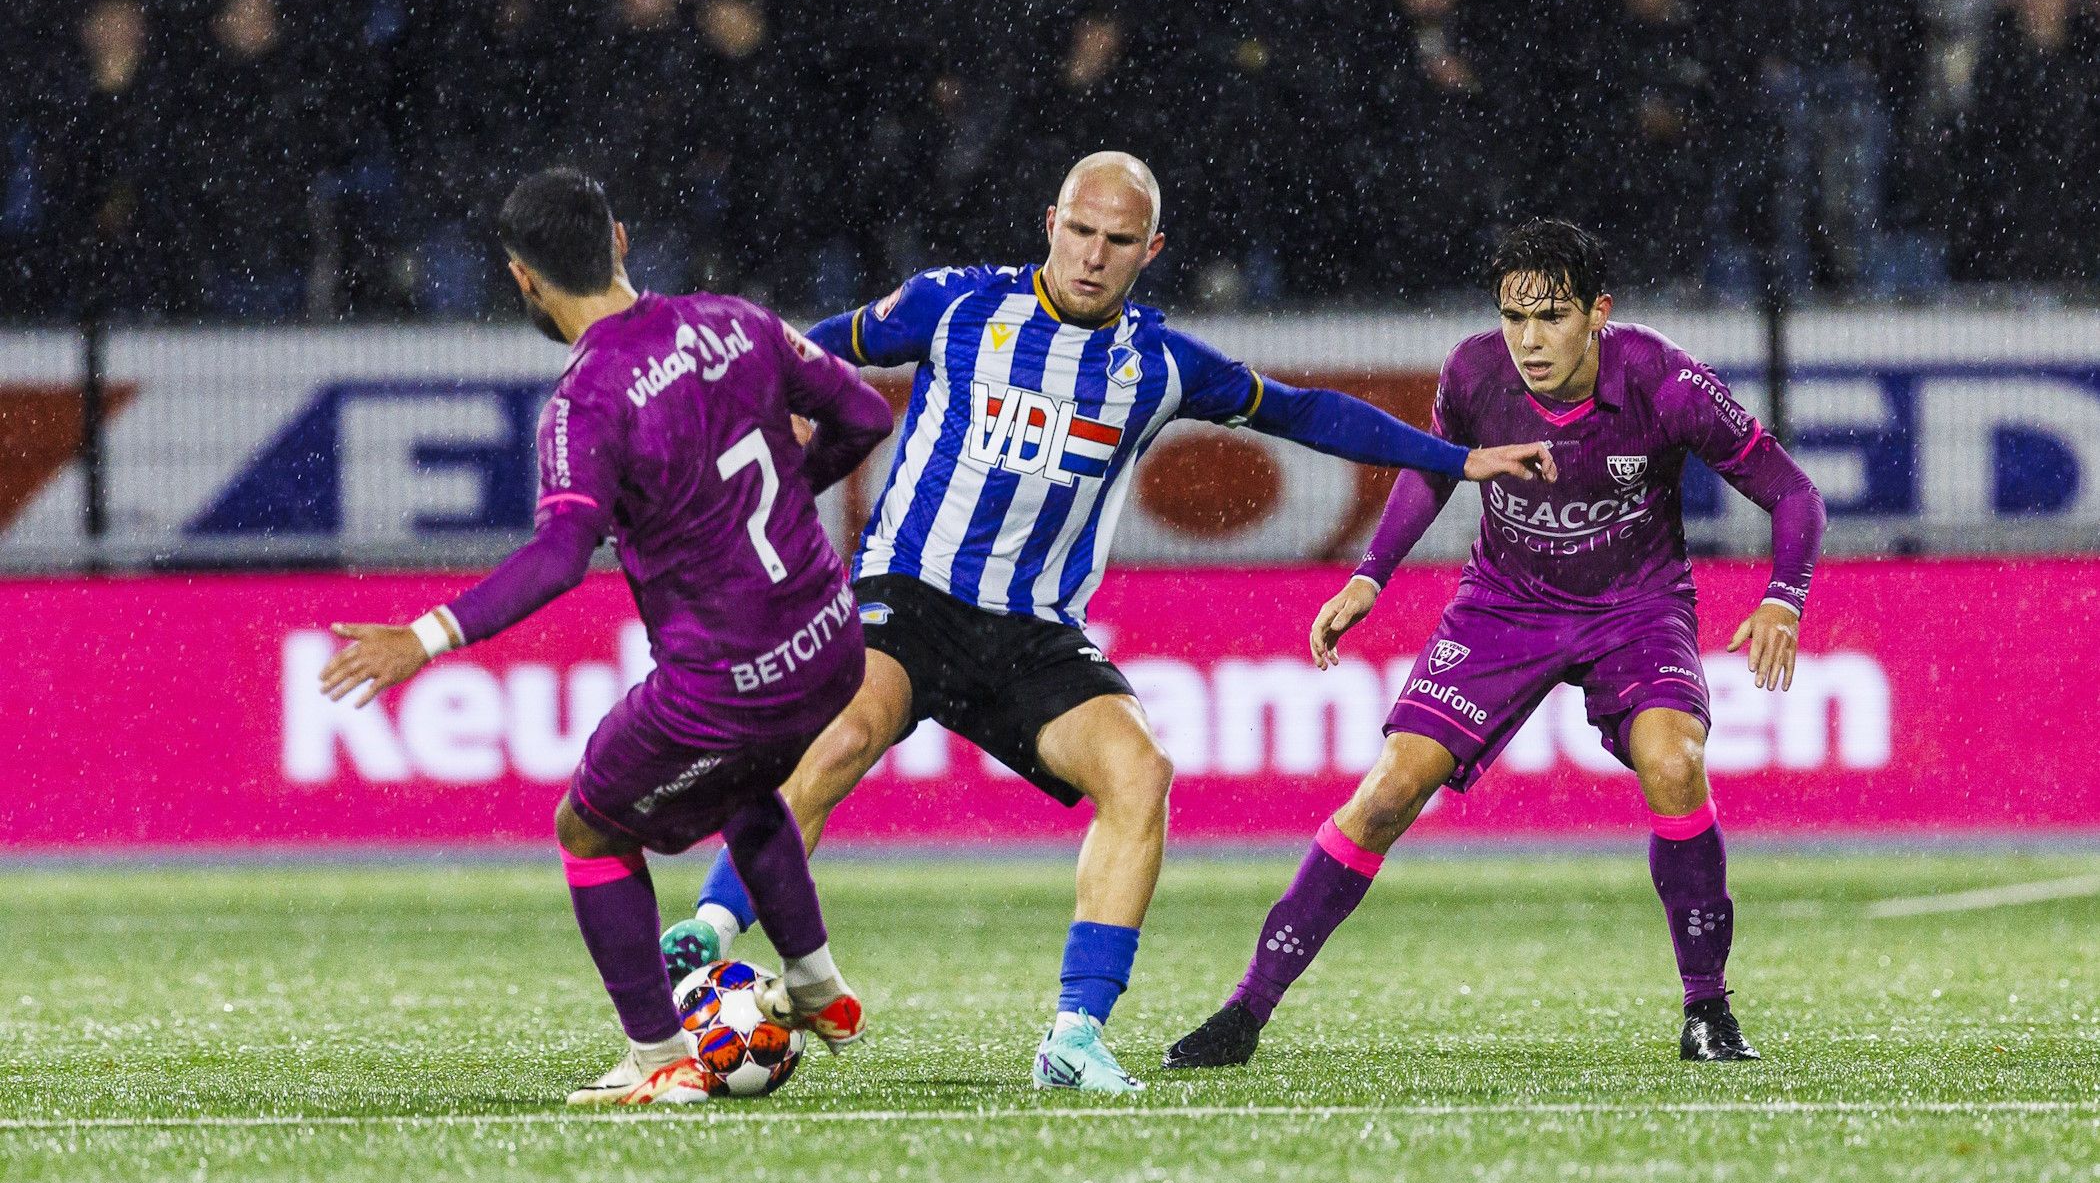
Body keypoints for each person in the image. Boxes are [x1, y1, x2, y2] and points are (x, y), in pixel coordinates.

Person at [663, 152, 1556, 1092]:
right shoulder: (955, 307)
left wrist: (1457, 458)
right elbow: (815, 348)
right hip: (909, 595)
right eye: (1080, 231)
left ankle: (1075, 1037)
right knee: (841, 731)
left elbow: (1304, 413)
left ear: (1150, 250)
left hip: (1035, 632)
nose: (1092, 255)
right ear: (1050, 222)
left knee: (1140, 771)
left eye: (1118, 241)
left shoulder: (1162, 365)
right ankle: (707, 936)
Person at [1165, 218, 1825, 1070]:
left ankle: (1708, 1011)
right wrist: (1370, 575)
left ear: (1598, 313)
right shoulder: (1473, 373)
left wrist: (1784, 597)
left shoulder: (1665, 380)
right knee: (1389, 790)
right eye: (1515, 317)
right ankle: (1242, 1014)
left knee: (1676, 761)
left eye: (1552, 316)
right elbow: (1434, 467)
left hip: (1635, 607)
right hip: (1504, 607)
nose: (1530, 339)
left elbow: (1794, 492)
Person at [319, 169, 894, 1106]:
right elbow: (864, 415)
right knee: (745, 787)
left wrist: (420, 639)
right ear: (620, 239)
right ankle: (819, 984)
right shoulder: (736, 320)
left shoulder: (588, 399)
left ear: (523, 280)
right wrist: (795, 487)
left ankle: (660, 1053)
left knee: (586, 826)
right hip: (831, 642)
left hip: (727, 680)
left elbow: (557, 557)